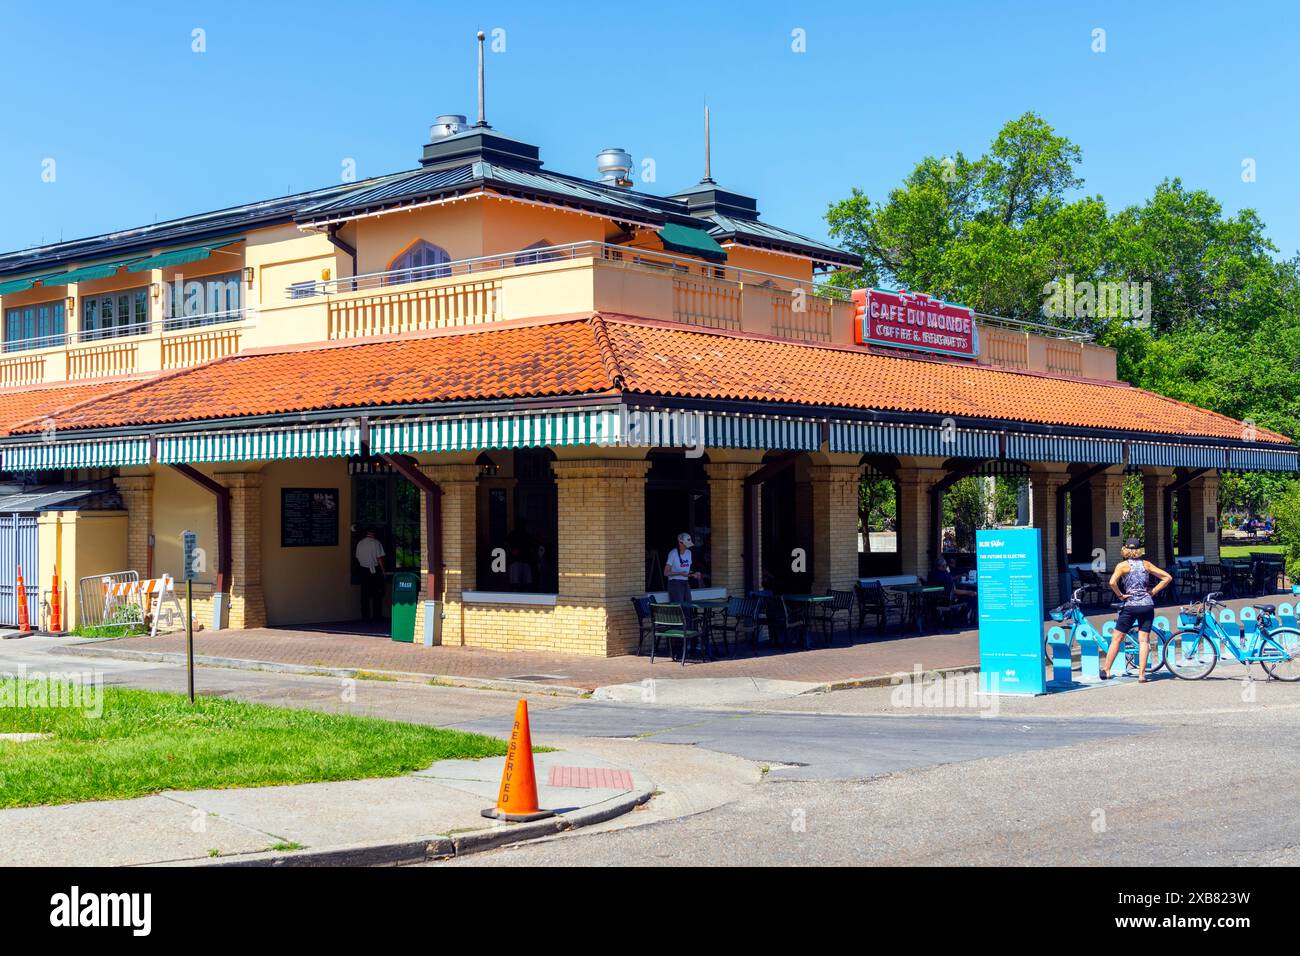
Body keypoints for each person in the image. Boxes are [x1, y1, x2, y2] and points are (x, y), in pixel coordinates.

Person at [1102, 537, 1172, 682]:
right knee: (1143, 640)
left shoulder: (1122, 566)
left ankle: (1107, 670)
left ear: (1125, 549)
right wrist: (1153, 591)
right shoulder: (1146, 564)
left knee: (1117, 638)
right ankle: (1142, 675)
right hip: (1147, 605)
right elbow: (1167, 577)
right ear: (1139, 550)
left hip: (1131, 605)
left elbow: (1112, 582)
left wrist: (1120, 595)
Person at [930, 557, 977, 625]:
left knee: (964, 596)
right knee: (971, 597)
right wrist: (968, 592)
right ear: (941, 566)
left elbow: (951, 581)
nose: (947, 567)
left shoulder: (933, 574)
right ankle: (960, 620)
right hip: (946, 601)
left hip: (936, 600)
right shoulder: (944, 576)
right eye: (946, 565)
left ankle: (958, 619)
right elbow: (953, 591)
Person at [355, 528, 387, 622]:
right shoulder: (376, 543)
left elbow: (357, 557)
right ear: (374, 533)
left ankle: (365, 616)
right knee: (377, 593)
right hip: (374, 569)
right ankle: (377, 615)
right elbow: (379, 558)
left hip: (363, 570)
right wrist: (383, 571)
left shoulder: (360, 543)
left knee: (364, 594)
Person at [664, 532, 702, 603]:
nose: (687, 547)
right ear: (680, 543)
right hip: (674, 583)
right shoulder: (673, 553)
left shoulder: (689, 553)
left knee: (688, 604)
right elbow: (666, 573)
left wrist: (694, 574)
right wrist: (680, 573)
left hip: (685, 582)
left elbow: (686, 571)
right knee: (679, 606)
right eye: (685, 545)